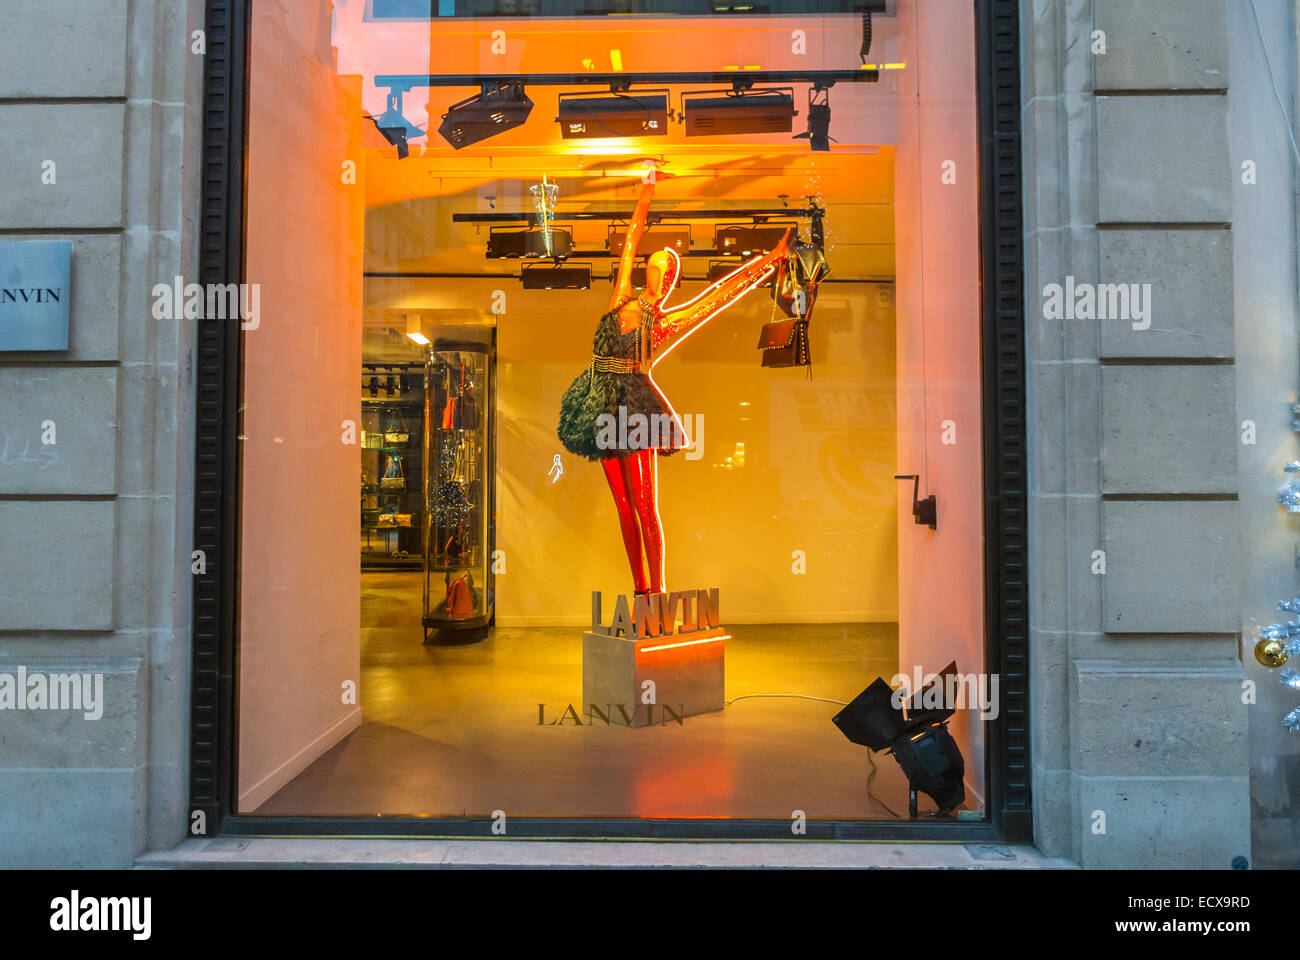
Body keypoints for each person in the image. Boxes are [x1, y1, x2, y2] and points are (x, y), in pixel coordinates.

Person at [557, 174, 791, 599]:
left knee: (645, 506)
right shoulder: (622, 297)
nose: (660, 270)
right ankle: (642, 588)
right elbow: (630, 241)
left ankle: (659, 588)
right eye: (658, 265)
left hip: (636, 407)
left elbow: (717, 297)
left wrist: (768, 262)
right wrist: (646, 191)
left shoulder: (664, 322)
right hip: (602, 402)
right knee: (624, 508)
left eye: (666, 270)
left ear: (667, 282)